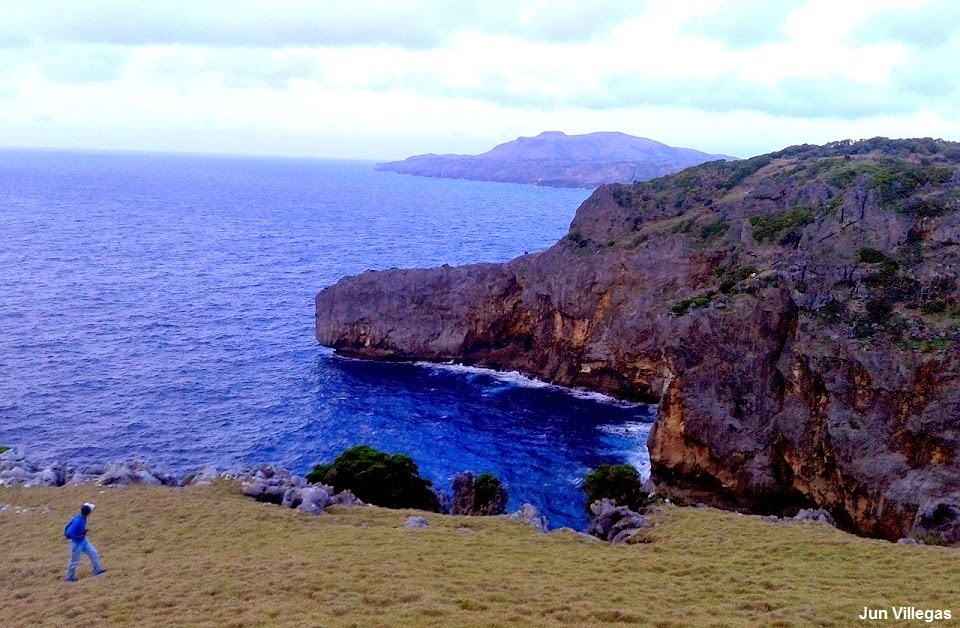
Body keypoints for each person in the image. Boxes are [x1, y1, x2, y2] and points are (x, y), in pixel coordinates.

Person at [64, 502, 105, 582]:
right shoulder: (78, 521)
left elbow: (69, 527)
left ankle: (98, 570)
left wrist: (83, 532)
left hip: (83, 540)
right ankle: (69, 577)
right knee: (74, 561)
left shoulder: (81, 517)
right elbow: (68, 533)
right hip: (76, 543)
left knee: (94, 553)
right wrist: (77, 536)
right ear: (88, 513)